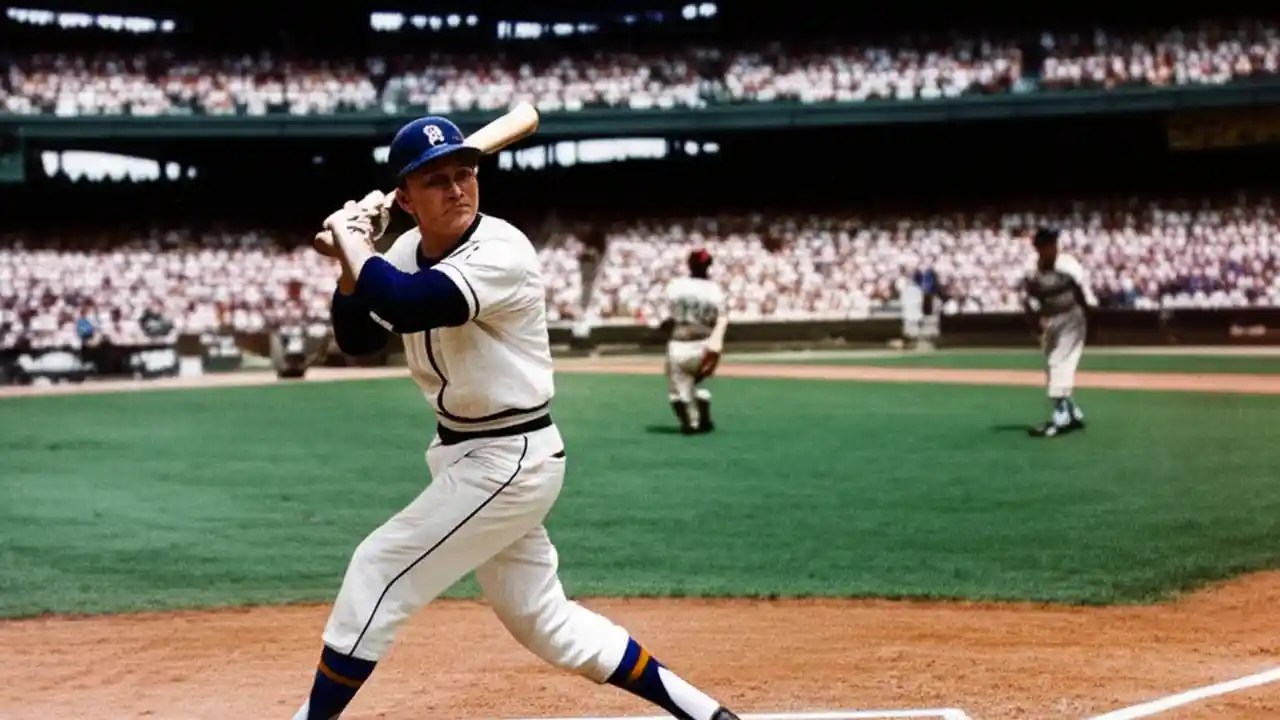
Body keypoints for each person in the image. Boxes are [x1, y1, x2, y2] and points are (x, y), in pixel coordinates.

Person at [295, 115, 741, 720]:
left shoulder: (501, 248)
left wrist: (353, 241)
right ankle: (706, 713)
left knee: (378, 568)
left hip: (510, 456)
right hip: (464, 454)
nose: (457, 188)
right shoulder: (401, 249)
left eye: (465, 173)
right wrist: (351, 261)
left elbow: (407, 305)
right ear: (405, 198)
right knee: (545, 622)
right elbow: (356, 336)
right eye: (437, 180)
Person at [1022, 227, 1097, 438]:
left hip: (1072, 317)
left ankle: (1060, 417)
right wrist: (1034, 324)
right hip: (1050, 319)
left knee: (1059, 362)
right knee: (1051, 367)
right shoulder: (1031, 268)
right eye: (1047, 244)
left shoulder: (1068, 265)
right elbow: (1028, 298)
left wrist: (1092, 323)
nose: (1052, 248)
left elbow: (1083, 294)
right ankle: (1072, 412)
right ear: (1039, 248)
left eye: (1054, 243)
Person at [659, 249, 729, 434]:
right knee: (700, 385)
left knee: (677, 393)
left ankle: (688, 423)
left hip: (679, 342)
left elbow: (666, 318)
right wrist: (716, 344)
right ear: (709, 266)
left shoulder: (676, 286)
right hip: (704, 343)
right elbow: (721, 319)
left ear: (689, 264)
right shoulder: (715, 290)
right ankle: (703, 419)